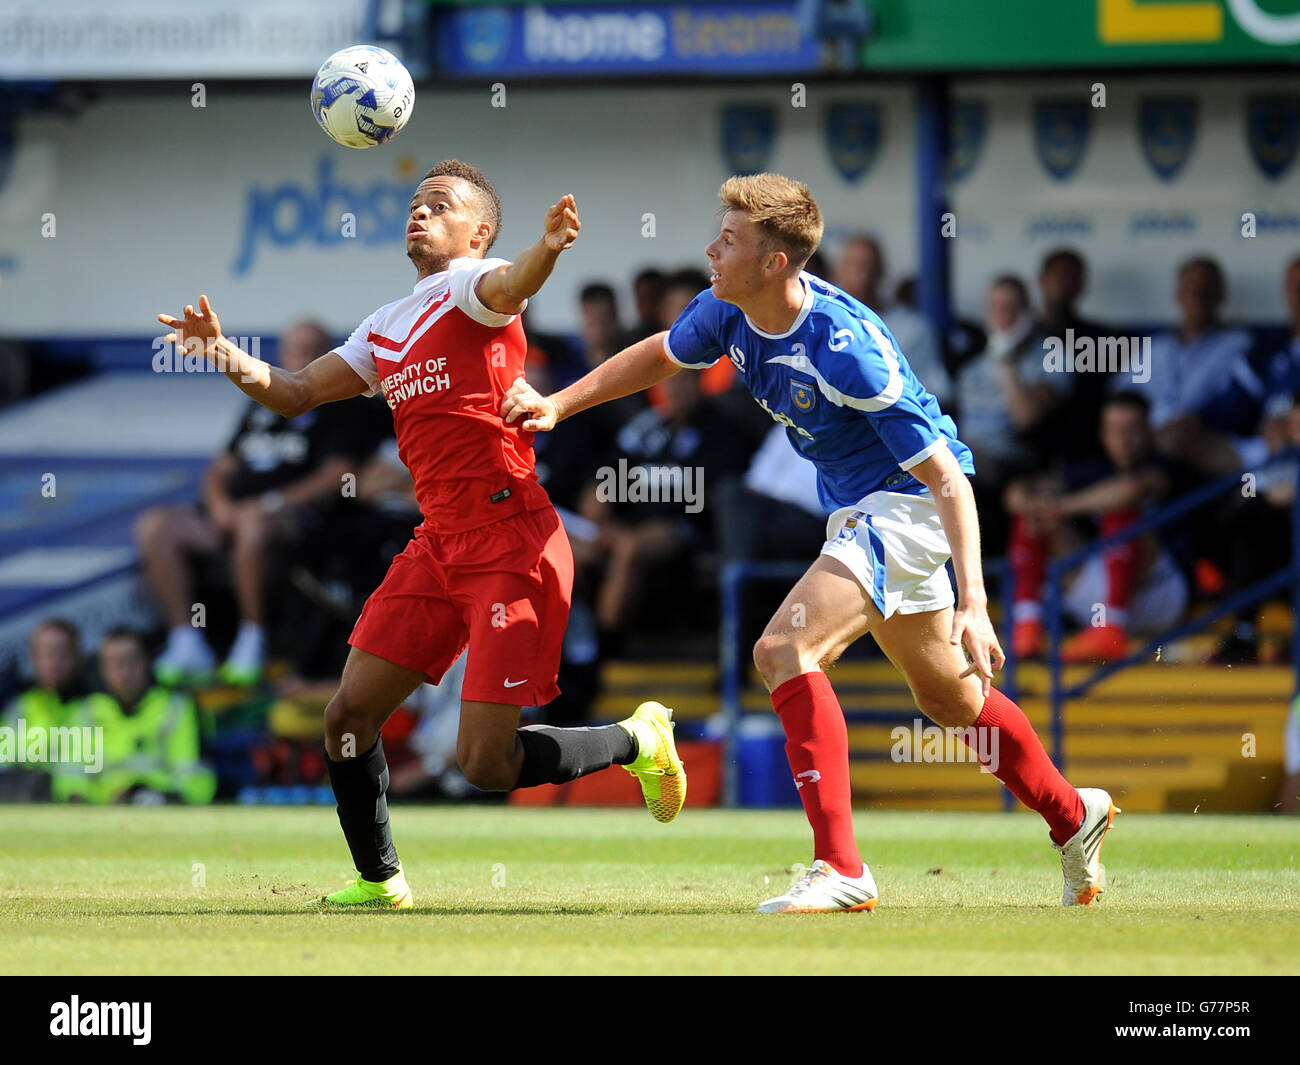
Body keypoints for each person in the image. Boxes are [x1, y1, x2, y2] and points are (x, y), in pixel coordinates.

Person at [503, 173, 1118, 912]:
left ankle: (842, 866)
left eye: (727, 241)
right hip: (861, 510)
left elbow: (951, 481)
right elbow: (662, 354)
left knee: (782, 649)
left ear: (774, 262)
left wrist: (976, 603)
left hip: (910, 505)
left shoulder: (846, 348)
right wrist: (559, 403)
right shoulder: (727, 309)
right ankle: (1072, 814)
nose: (710, 250)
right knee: (952, 701)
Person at [157, 159, 685, 909]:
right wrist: (223, 352)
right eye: (414, 204)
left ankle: (639, 740)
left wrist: (548, 249)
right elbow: (299, 393)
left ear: (479, 232)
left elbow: (514, 286)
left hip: (511, 539)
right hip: (438, 544)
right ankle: (380, 879)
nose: (420, 214)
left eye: (439, 206)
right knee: (346, 717)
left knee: (486, 763)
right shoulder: (387, 323)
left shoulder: (479, 282)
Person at [136, 320, 392, 686]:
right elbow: (221, 466)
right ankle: (185, 640)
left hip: (298, 519)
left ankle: (252, 638)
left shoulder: (345, 404)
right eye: (295, 348)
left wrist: (271, 502)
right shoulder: (260, 403)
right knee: (155, 525)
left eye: (312, 349)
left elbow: (338, 474)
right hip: (235, 512)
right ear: (281, 354)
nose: (302, 356)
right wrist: (220, 506)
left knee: (253, 523)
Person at [1005, 392, 1193, 663]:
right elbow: (1016, 494)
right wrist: (1029, 501)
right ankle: (1027, 628)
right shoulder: (1091, 469)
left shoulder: (1165, 465)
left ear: (1149, 431)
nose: (1123, 439)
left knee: (1122, 512)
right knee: (1032, 519)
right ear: (1102, 433)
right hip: (1102, 597)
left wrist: (1061, 507)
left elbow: (1129, 490)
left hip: (1159, 595)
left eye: (1132, 429)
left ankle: (1111, 630)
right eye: (1114, 430)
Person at [58, 628, 216, 805]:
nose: (125, 673)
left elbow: (194, 777)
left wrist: (158, 795)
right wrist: (90, 799)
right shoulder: (85, 712)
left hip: (161, 807)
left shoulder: (176, 707)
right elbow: (72, 777)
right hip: (103, 811)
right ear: (102, 669)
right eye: (116, 664)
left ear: (147, 663)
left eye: (132, 662)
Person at [833, 233, 953, 407]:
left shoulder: (914, 327)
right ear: (838, 271)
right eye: (852, 264)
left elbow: (933, 392)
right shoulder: (819, 323)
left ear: (881, 271)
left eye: (867, 266)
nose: (860, 273)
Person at [0, 618, 87, 800]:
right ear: (34, 659)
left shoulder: (97, 708)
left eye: (62, 654)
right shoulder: (18, 709)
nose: (54, 663)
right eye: (47, 655)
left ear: (78, 656)